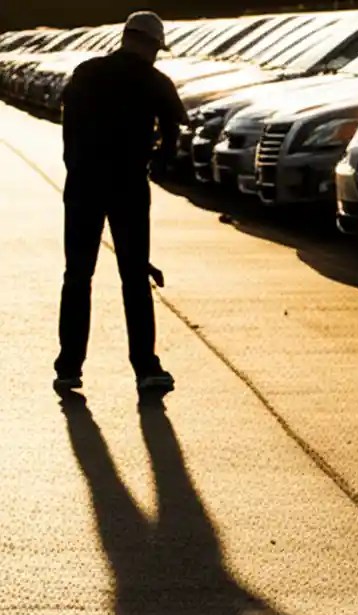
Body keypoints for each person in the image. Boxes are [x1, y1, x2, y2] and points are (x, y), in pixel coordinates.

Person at [54, 11, 187, 394]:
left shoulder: (86, 73)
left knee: (77, 276)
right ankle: (146, 368)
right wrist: (157, 163)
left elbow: (69, 130)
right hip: (128, 186)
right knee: (134, 278)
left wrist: (76, 169)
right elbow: (173, 130)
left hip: (82, 185)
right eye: (156, 49)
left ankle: (68, 367)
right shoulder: (153, 80)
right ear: (148, 44)